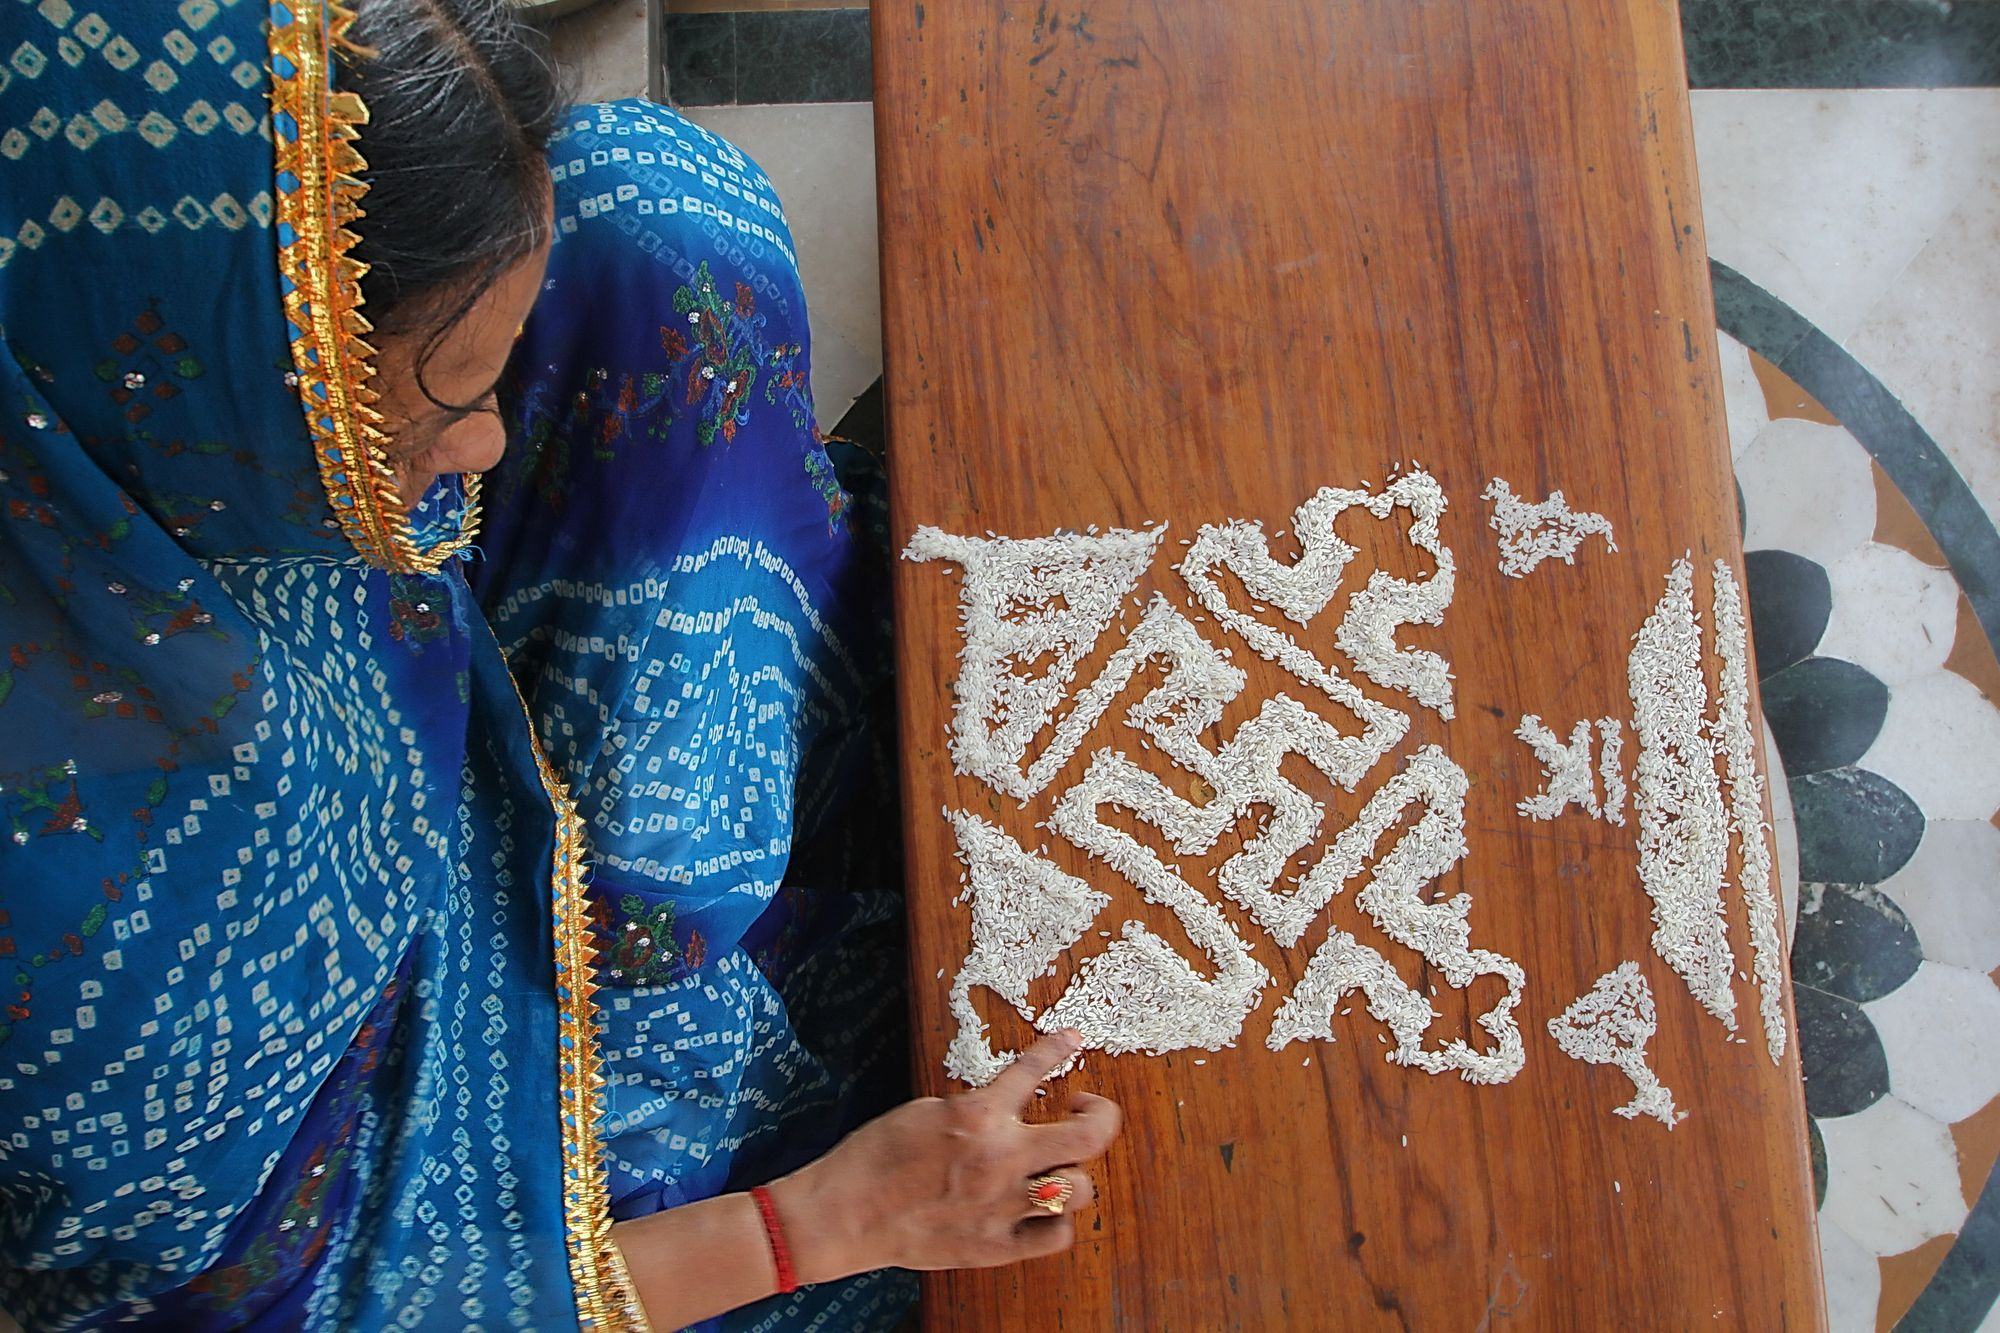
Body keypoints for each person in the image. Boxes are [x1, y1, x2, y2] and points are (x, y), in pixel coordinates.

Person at [0, 3, 1119, 1329]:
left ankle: (718, 867)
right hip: (417, 1211)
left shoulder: (108, 372)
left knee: (647, 217)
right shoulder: (81, 961)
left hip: (445, 752)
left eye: (487, 385)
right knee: (749, 942)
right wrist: (822, 1218)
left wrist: (432, 422)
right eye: (440, 406)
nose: (480, 446)